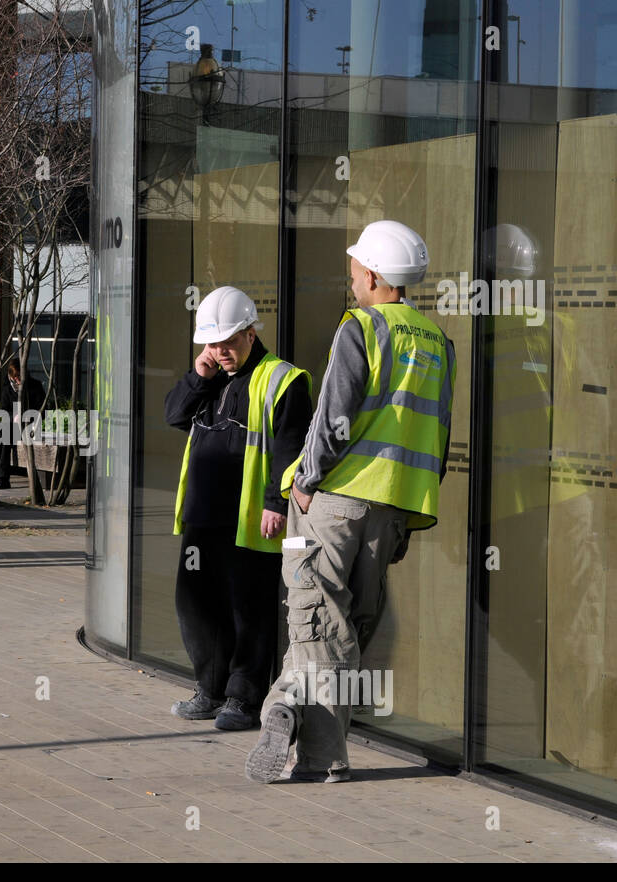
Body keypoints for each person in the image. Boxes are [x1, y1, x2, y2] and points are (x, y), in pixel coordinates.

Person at [245, 220, 456, 783]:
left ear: (372, 274)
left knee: (316, 622)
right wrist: (406, 521)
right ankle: (286, 707)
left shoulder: (362, 327)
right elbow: (437, 436)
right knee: (345, 627)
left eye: (355, 272)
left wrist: (307, 480)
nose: (352, 282)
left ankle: (313, 749)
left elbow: (333, 419)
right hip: (389, 510)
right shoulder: (438, 341)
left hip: (333, 500)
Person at [165, 286, 313, 731]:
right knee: (196, 606)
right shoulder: (209, 378)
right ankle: (209, 690)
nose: (220, 352)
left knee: (249, 611)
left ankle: (244, 700)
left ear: (251, 333)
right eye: (213, 344)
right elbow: (174, 415)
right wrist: (199, 373)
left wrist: (276, 502)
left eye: (228, 342)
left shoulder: (282, 378)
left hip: (250, 519)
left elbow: (292, 447)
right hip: (202, 514)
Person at [0, 356, 46, 489]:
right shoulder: (8, 390)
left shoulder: (35, 386)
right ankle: (1, 478)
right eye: (15, 377)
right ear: (11, 376)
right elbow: (4, 412)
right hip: (12, 428)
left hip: (30, 427)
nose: (18, 380)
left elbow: (43, 411)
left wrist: (25, 416)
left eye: (20, 376)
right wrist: (14, 417)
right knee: (5, 435)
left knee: (4, 432)